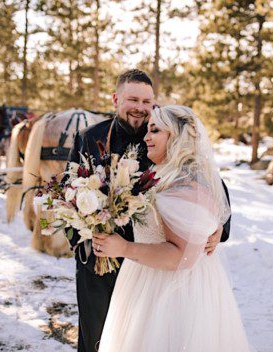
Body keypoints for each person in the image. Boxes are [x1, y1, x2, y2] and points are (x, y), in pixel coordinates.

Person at [67, 69, 231, 351]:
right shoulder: (89, 137)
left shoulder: (163, 132)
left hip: (155, 257)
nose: (140, 108)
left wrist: (219, 227)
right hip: (99, 261)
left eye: (147, 102)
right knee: (95, 335)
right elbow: (70, 189)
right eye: (133, 99)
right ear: (116, 98)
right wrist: (83, 240)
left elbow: (209, 183)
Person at [93, 105, 249, 351]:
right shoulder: (163, 173)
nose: (146, 137)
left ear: (177, 137)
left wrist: (124, 247)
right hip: (148, 278)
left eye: (155, 130)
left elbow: (181, 256)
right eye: (147, 130)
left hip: (172, 290)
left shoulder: (184, 184)